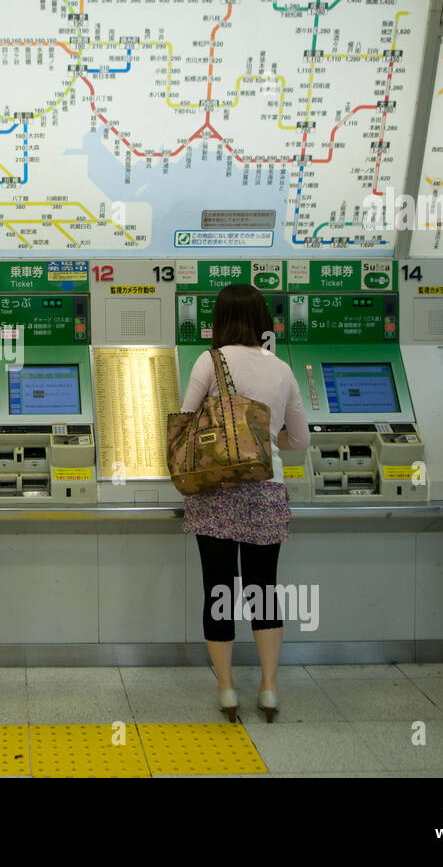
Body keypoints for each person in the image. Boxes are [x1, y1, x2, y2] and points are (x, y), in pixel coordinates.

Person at [179, 284, 309, 723]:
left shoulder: (208, 361)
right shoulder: (282, 370)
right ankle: (270, 688)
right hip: (265, 490)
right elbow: (301, 441)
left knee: (219, 589)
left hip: (215, 490)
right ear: (261, 321)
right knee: (263, 589)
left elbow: (187, 422)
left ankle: (227, 689)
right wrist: (267, 443)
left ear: (220, 319)